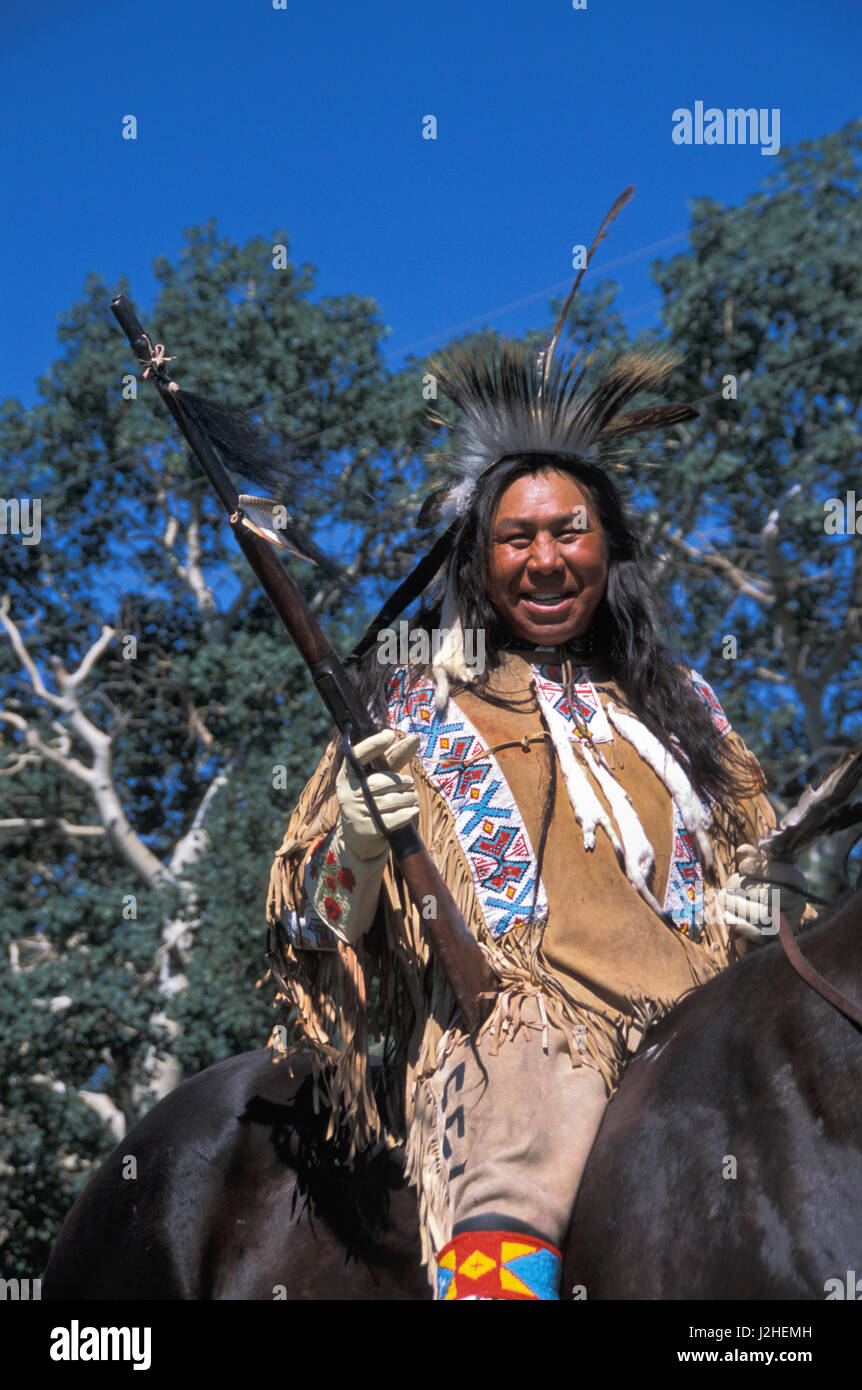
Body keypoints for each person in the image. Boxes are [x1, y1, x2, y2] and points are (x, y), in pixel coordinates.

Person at [266, 338, 809, 1301]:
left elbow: (750, 885)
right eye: (517, 539)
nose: (546, 560)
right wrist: (353, 835)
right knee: (526, 1125)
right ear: (479, 561)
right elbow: (319, 930)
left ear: (611, 547)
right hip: (527, 1034)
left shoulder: (689, 711)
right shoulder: (420, 706)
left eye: (570, 531)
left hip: (700, 1023)